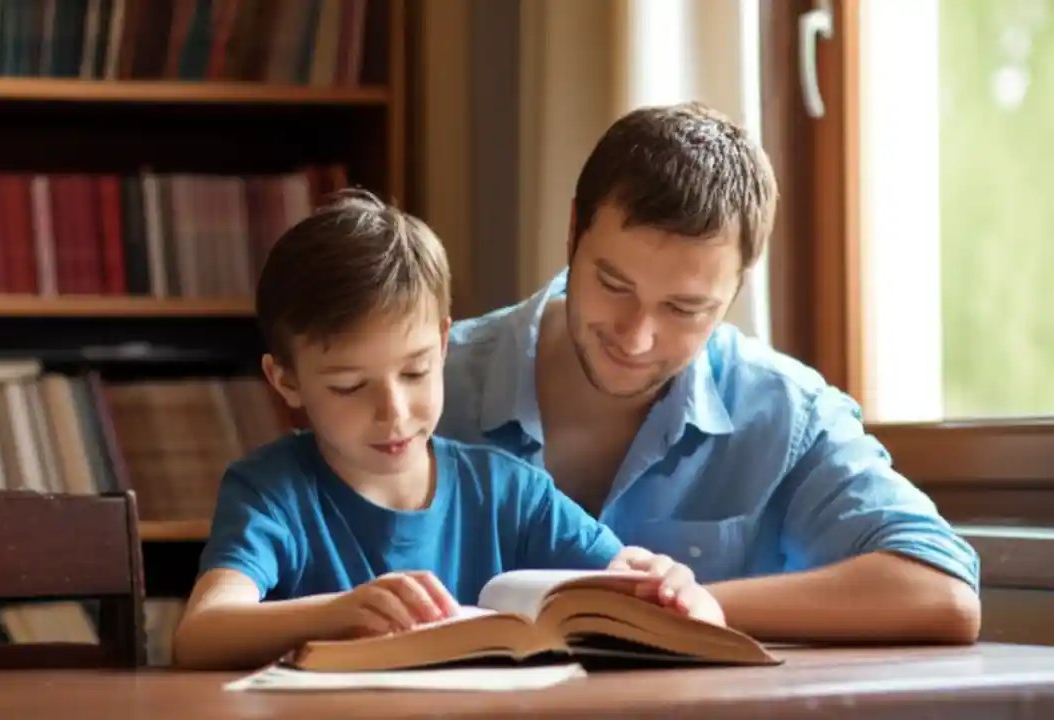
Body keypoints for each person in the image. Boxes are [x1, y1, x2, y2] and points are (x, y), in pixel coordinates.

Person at [437, 102, 982, 644]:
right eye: (613, 284)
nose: (636, 336)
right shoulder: (426, 382)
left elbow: (943, 591)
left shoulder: (783, 413)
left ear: (736, 287)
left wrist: (685, 605)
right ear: (574, 229)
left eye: (683, 308)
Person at [171, 189, 723, 670]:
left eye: (415, 372)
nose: (394, 411)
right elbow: (201, 633)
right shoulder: (271, 491)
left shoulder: (509, 490)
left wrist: (676, 595)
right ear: (285, 380)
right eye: (348, 386)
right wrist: (341, 613)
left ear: (443, 343)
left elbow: (636, 587)